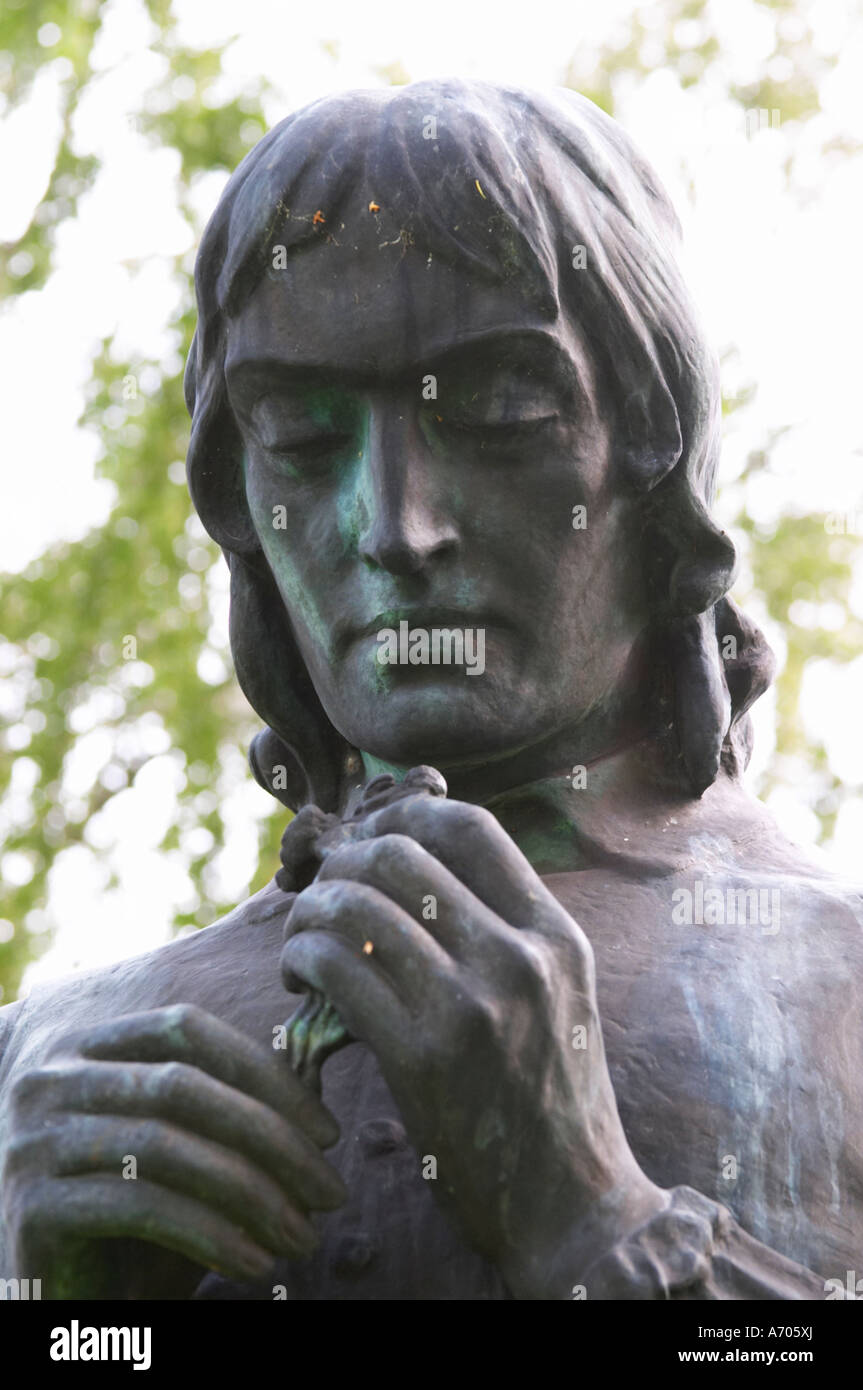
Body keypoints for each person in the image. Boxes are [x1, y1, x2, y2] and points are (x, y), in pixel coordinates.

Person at [1, 79, 859, 1300]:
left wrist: (597, 1229)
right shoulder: (51, 1060)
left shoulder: (843, 990)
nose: (393, 527)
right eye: (298, 431)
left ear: (655, 447)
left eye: (501, 407)